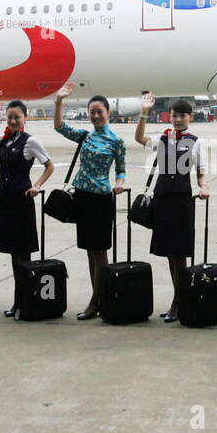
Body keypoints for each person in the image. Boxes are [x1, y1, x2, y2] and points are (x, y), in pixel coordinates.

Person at [0, 90, 56, 316]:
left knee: (24, 254)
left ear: (25, 118)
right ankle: (18, 299)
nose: (12, 121)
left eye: (17, 117)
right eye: (9, 117)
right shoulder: (3, 140)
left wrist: (37, 185)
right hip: (3, 202)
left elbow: (49, 165)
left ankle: (26, 298)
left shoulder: (31, 142)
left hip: (22, 202)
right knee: (12, 252)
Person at [53, 83, 128, 320]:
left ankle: (97, 301)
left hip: (101, 200)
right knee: (88, 250)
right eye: (92, 112)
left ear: (108, 113)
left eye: (100, 112)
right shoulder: (85, 136)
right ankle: (98, 299)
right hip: (82, 199)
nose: (95, 116)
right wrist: (58, 102)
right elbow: (59, 127)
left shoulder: (116, 141)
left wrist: (119, 182)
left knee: (100, 252)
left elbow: (121, 170)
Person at [134, 93, 211, 322]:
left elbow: (201, 172)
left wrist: (204, 187)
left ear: (190, 117)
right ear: (170, 117)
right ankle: (179, 299)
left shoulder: (197, 142)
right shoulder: (162, 138)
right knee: (169, 254)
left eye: (182, 116)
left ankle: (180, 301)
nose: (178, 120)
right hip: (162, 200)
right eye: (175, 116)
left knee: (180, 254)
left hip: (181, 201)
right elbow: (139, 138)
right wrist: (144, 112)